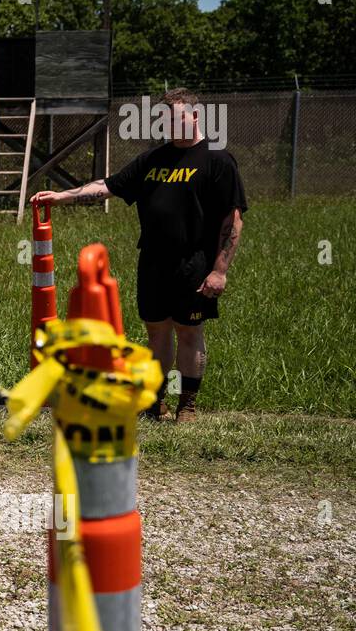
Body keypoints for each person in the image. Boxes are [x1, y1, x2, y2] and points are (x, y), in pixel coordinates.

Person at [29, 87, 247, 422]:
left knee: (189, 331)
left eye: (176, 119)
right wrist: (62, 197)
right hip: (153, 261)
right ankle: (154, 402)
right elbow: (109, 186)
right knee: (157, 332)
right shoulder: (154, 159)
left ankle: (186, 404)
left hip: (194, 264)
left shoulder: (217, 159)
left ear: (195, 116)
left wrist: (219, 270)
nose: (170, 127)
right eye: (164, 121)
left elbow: (232, 221)